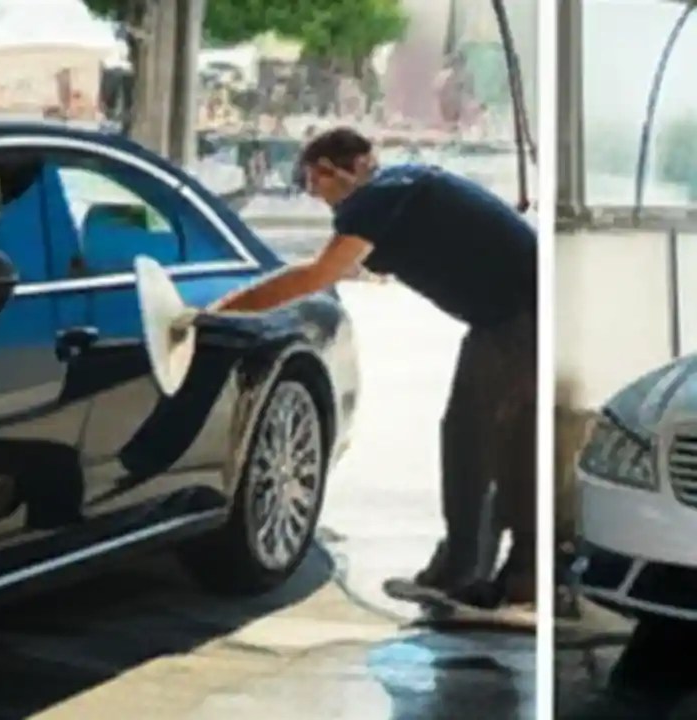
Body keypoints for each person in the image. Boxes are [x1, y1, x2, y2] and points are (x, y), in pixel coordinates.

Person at [209, 127, 536, 607]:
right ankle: (508, 573)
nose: (317, 198)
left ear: (328, 170)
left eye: (311, 185)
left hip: (516, 320)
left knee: (471, 440)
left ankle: (464, 574)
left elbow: (318, 274)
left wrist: (224, 311)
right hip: (520, 312)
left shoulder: (375, 198)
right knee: (505, 444)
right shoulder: (405, 186)